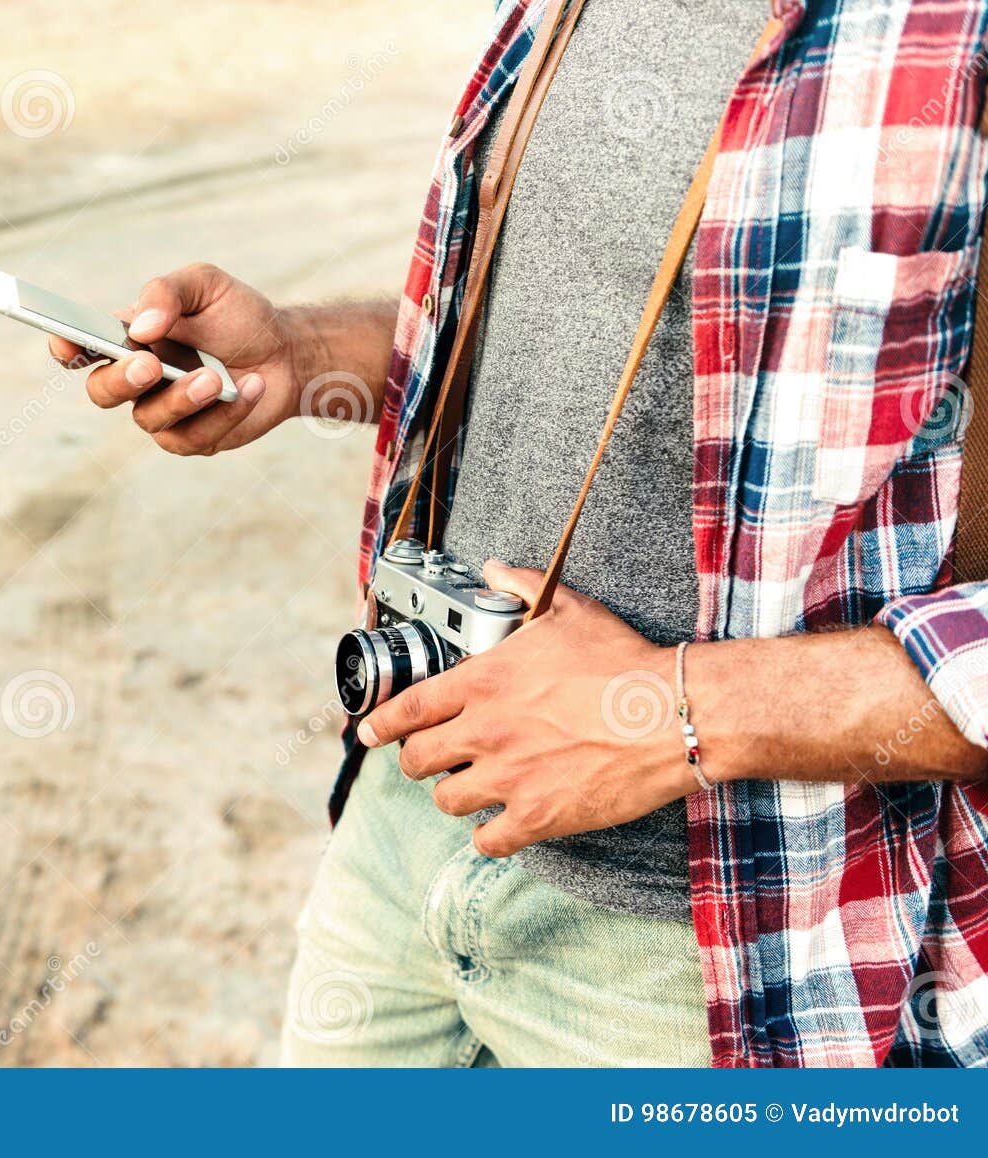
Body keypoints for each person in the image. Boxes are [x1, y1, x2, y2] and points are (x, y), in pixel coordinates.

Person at [49, 0, 988, 1066]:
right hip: (412, 830)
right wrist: (299, 356)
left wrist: (669, 715)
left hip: (712, 951)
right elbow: (566, 315)